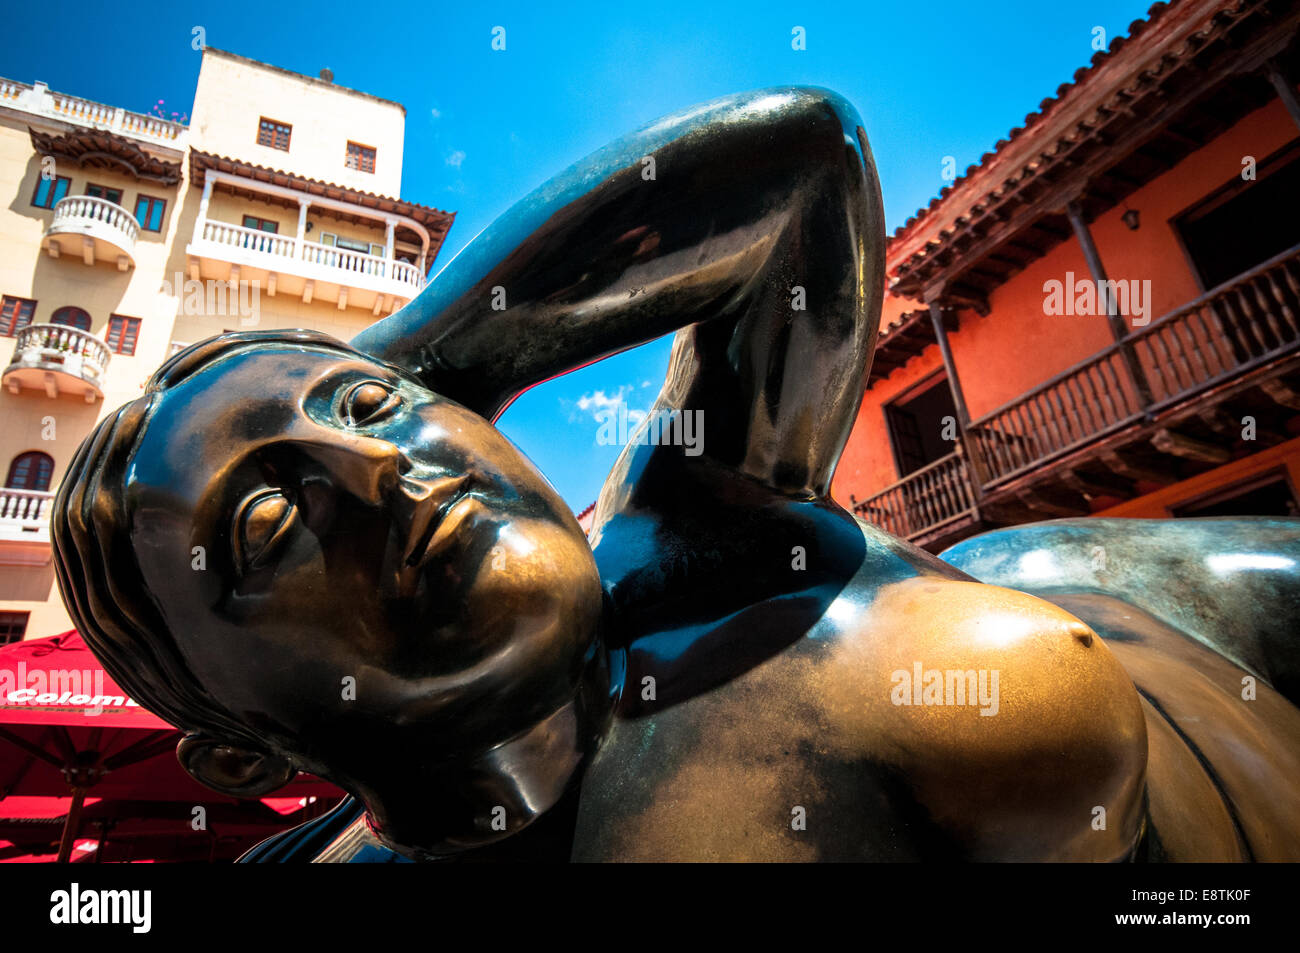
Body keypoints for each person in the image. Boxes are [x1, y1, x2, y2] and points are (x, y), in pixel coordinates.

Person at [50, 88, 1300, 862]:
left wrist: (413, 358)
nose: (376, 468)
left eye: (373, 411)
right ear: (247, 759)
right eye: (270, 520)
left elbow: (800, 161)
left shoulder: (683, 535)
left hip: (1183, 636)